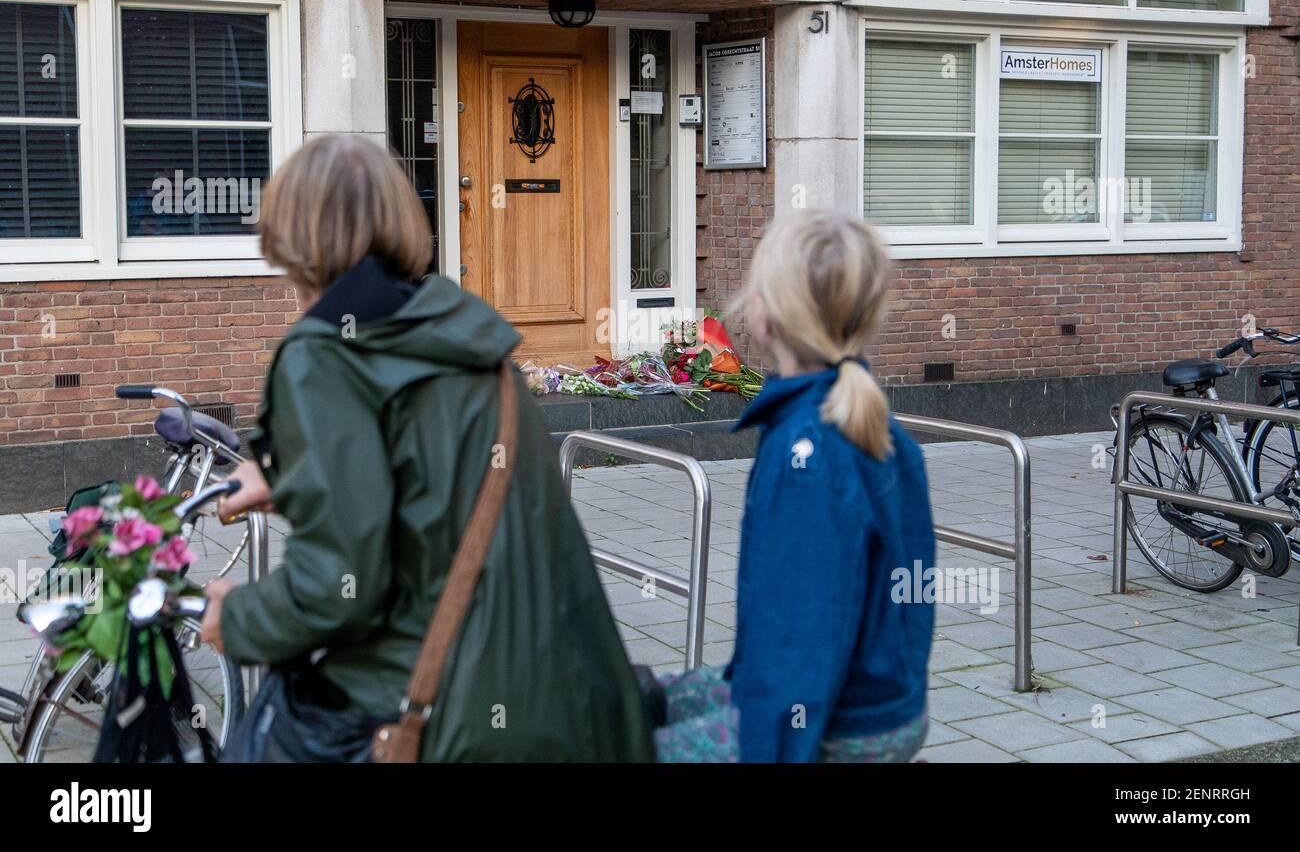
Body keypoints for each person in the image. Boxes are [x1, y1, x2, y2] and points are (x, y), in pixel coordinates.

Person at [199, 134, 654, 762]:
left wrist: (240, 618)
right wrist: (292, 478)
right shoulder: (462, 335)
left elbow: (338, 587)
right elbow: (431, 491)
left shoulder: (326, 355)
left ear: (291, 232)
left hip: (427, 706)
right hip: (557, 690)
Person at [654, 212, 936, 763]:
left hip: (839, 727)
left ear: (766, 315)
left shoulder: (806, 451)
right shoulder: (875, 426)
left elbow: (797, 653)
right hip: (885, 708)